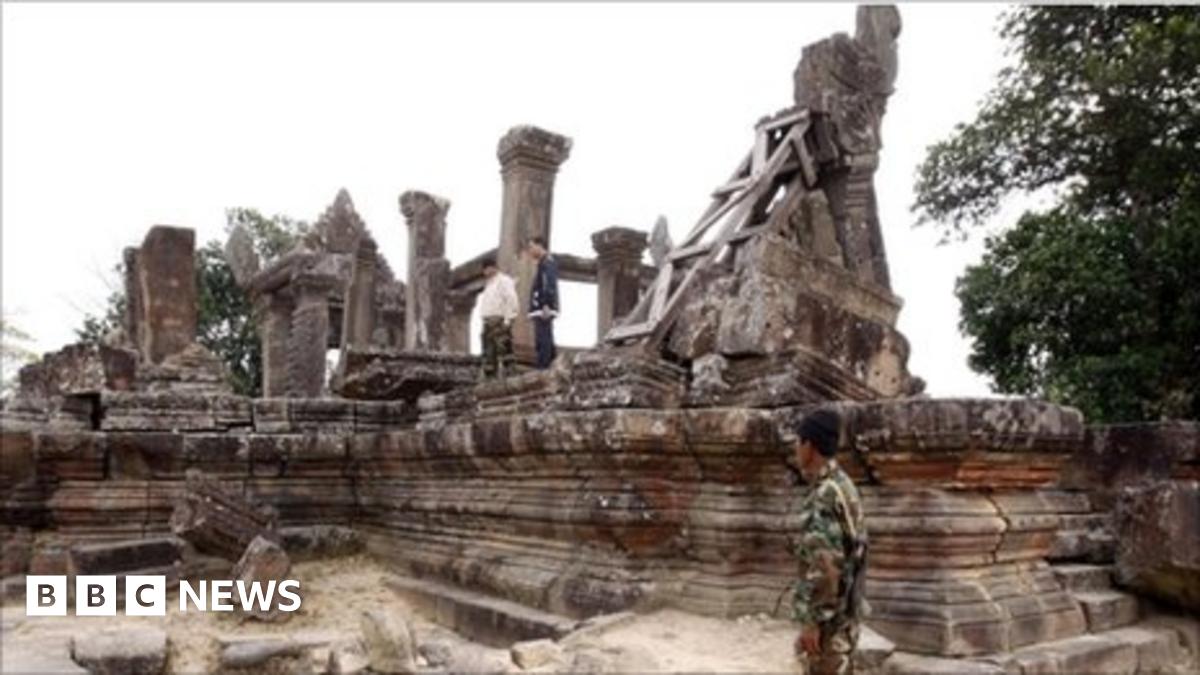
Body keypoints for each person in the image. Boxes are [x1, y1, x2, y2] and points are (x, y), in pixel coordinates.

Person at [789, 408, 867, 675]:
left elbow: (826, 565)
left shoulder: (825, 494)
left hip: (831, 620)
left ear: (809, 446)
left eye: (797, 443)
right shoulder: (842, 485)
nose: (795, 450)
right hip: (844, 611)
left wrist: (813, 621)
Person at [478, 256, 518, 379]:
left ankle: (510, 378)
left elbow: (511, 299)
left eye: (486, 269)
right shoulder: (489, 284)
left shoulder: (504, 281)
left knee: (505, 352)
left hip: (499, 320)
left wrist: (508, 319)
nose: (485, 272)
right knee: (488, 354)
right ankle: (491, 380)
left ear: (492, 268)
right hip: (487, 322)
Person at [525, 236, 559, 369]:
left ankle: (543, 367)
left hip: (543, 307)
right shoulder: (543, 263)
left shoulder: (547, 262)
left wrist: (545, 304)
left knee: (542, 338)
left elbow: (547, 284)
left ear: (540, 246)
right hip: (541, 306)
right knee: (546, 338)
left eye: (531, 247)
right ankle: (550, 364)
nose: (530, 251)